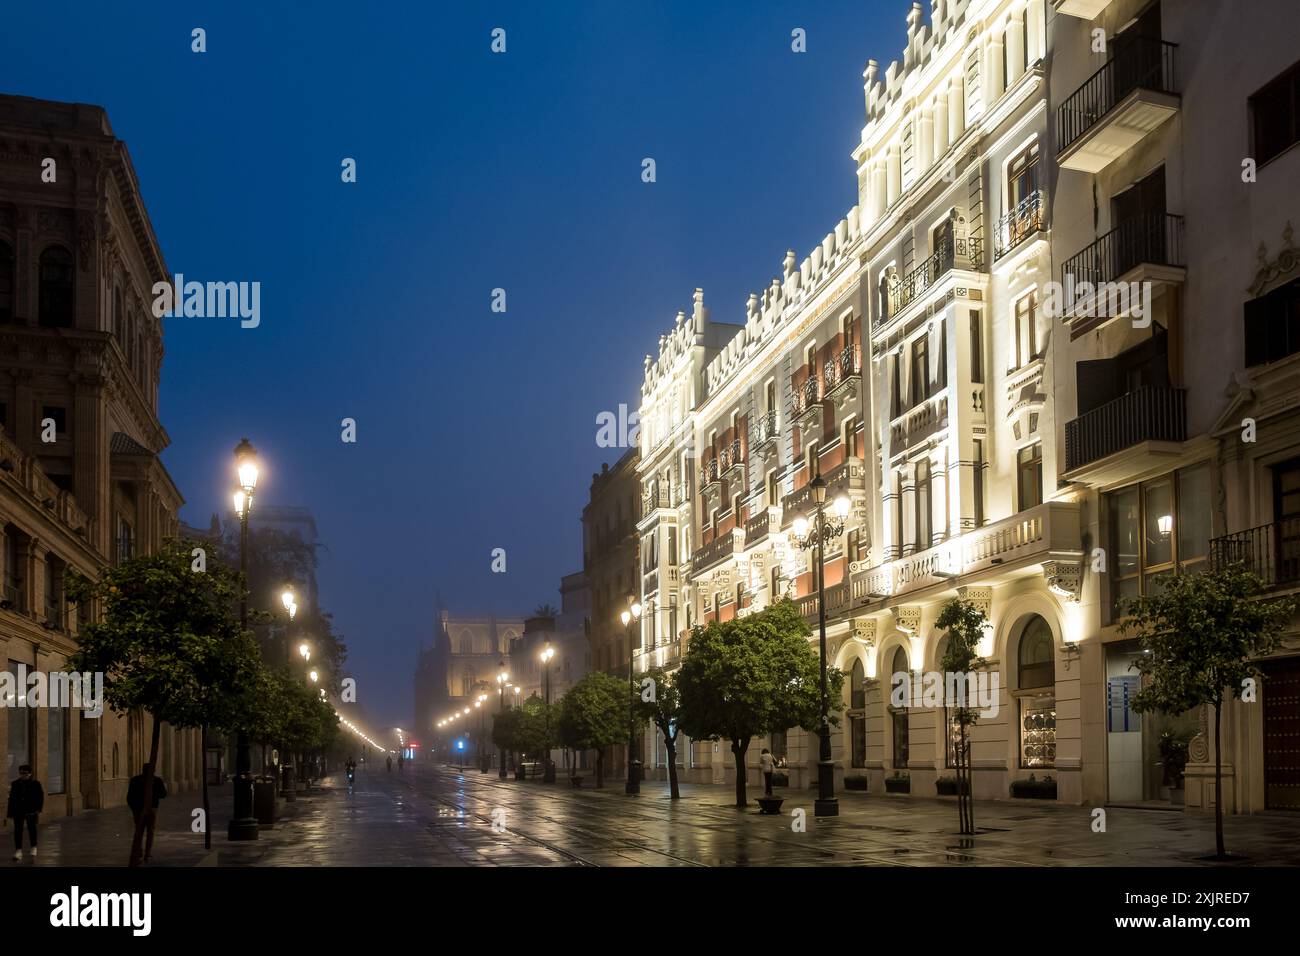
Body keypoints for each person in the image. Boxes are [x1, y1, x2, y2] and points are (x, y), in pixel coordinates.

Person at [126, 764, 168, 862]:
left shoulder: (135, 780)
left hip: (138, 809)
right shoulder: (157, 781)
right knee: (150, 831)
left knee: (139, 830)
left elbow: (129, 797)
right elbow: (163, 794)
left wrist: (134, 808)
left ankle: (139, 851)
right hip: (151, 809)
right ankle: (147, 853)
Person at [7, 764, 44, 861]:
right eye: (21, 773)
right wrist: (10, 812)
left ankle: (33, 847)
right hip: (18, 810)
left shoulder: (36, 784)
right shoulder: (15, 784)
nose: (22, 775)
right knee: (18, 830)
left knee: (32, 829)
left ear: (30, 774)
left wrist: (38, 809)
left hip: (31, 810)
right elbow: (11, 799)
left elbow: (40, 797)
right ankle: (18, 851)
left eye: (24, 773)